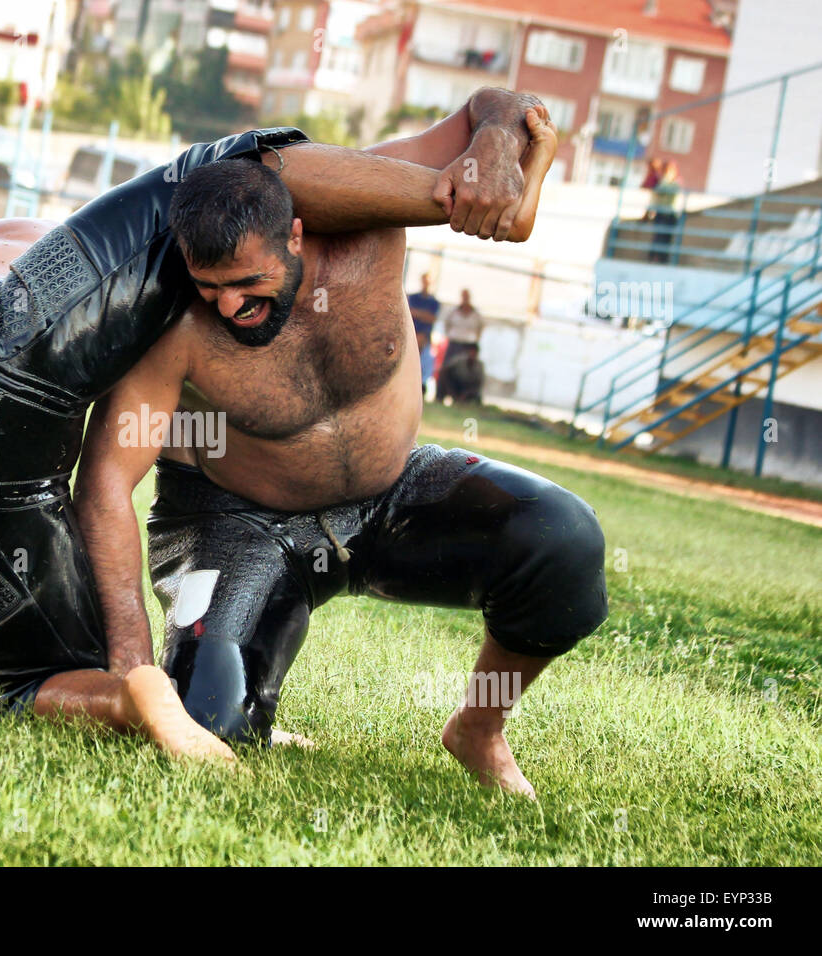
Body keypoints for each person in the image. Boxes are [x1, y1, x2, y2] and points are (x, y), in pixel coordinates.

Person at [0, 92, 543, 764]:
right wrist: (488, 175)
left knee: (35, 681)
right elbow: (270, 182)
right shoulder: (70, 244)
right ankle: (134, 685)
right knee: (224, 176)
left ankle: (130, 699)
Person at [75, 106, 606, 798]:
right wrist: (132, 666)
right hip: (234, 520)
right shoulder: (178, 323)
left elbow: (493, 109)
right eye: (212, 289)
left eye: (248, 285)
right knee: (209, 723)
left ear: (295, 234)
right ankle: (244, 704)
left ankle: (478, 729)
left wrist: (503, 143)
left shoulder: (374, 207)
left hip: (391, 497)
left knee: (563, 541)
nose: (229, 308)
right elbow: (108, 482)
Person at [436, 288, 484, 403]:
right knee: (446, 370)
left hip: (467, 344)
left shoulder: (475, 314)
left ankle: (462, 398)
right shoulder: (454, 312)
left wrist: (474, 340)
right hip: (454, 343)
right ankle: (440, 396)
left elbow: (480, 328)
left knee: (464, 374)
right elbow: (447, 325)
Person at [407, 275, 441, 395]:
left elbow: (432, 318)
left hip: (424, 335)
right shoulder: (413, 298)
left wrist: (418, 314)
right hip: (411, 334)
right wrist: (423, 315)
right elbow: (410, 313)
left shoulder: (434, 302)